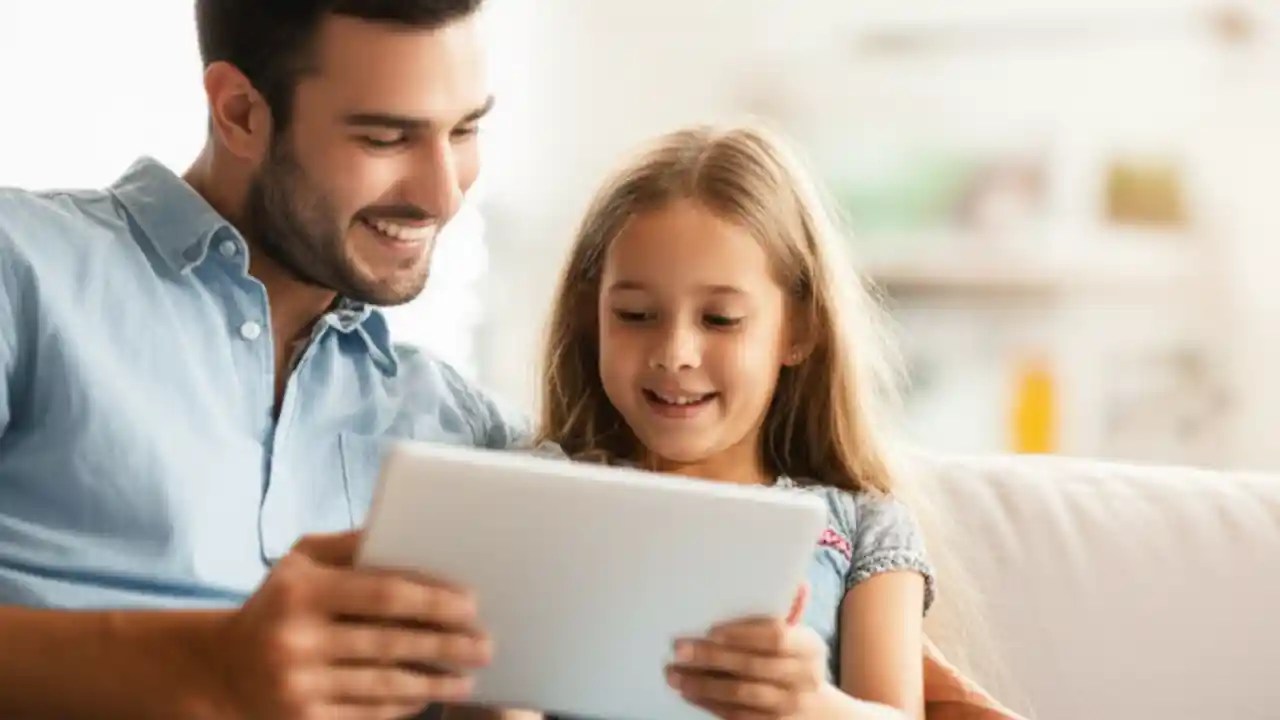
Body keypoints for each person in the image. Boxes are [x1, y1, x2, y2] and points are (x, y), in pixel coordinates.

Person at [0, 2, 524, 717]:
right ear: (242, 112)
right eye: (384, 137)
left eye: (465, 129)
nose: (444, 193)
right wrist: (203, 664)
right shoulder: (21, 271)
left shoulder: (463, 428)